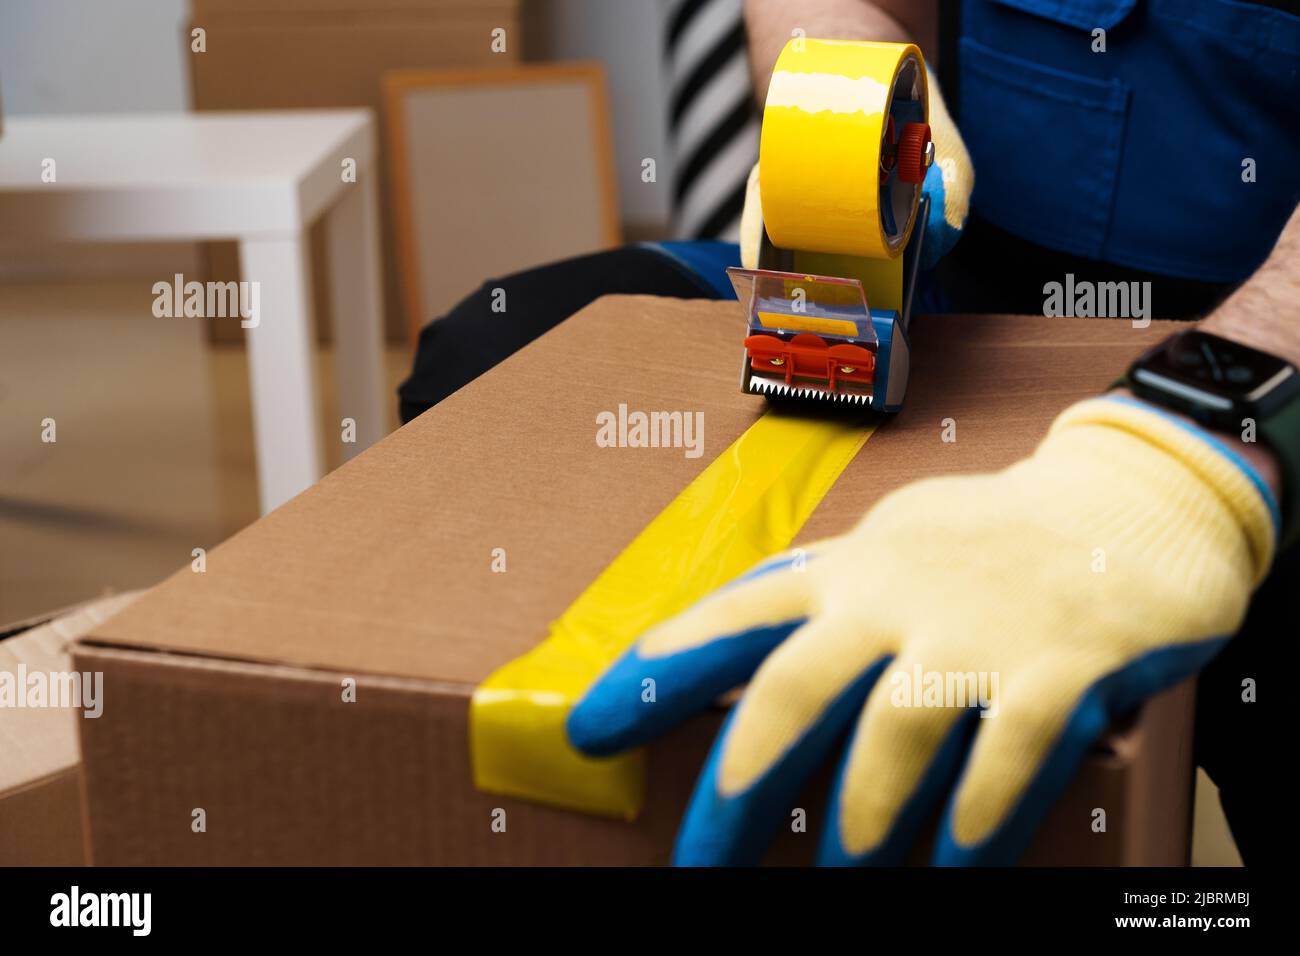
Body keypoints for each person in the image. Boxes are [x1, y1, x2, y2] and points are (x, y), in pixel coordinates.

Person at [402, 0, 1300, 865]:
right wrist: (845, 109)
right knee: (497, 345)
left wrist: (1190, 448)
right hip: (942, 281)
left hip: (1260, 344)